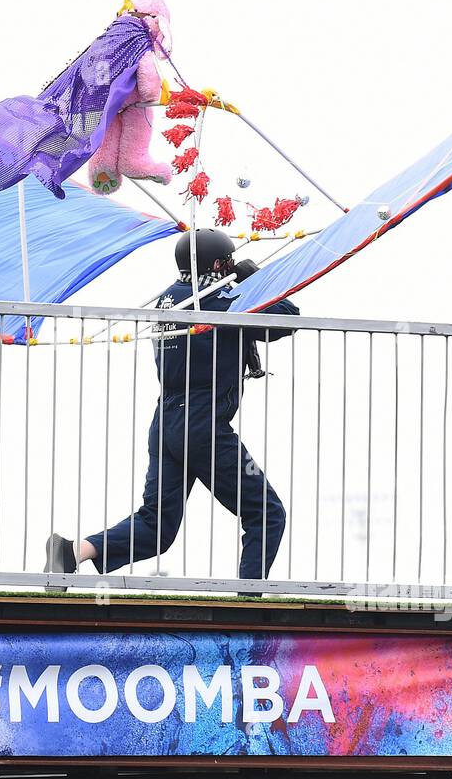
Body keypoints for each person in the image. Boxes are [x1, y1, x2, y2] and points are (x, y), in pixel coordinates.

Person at [46, 229, 299, 585]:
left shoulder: (168, 300)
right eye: (227, 262)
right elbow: (286, 318)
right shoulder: (220, 300)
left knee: (155, 525)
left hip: (165, 422)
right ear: (217, 263)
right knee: (267, 513)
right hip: (204, 424)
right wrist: (254, 278)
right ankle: (248, 598)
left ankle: (72, 552)